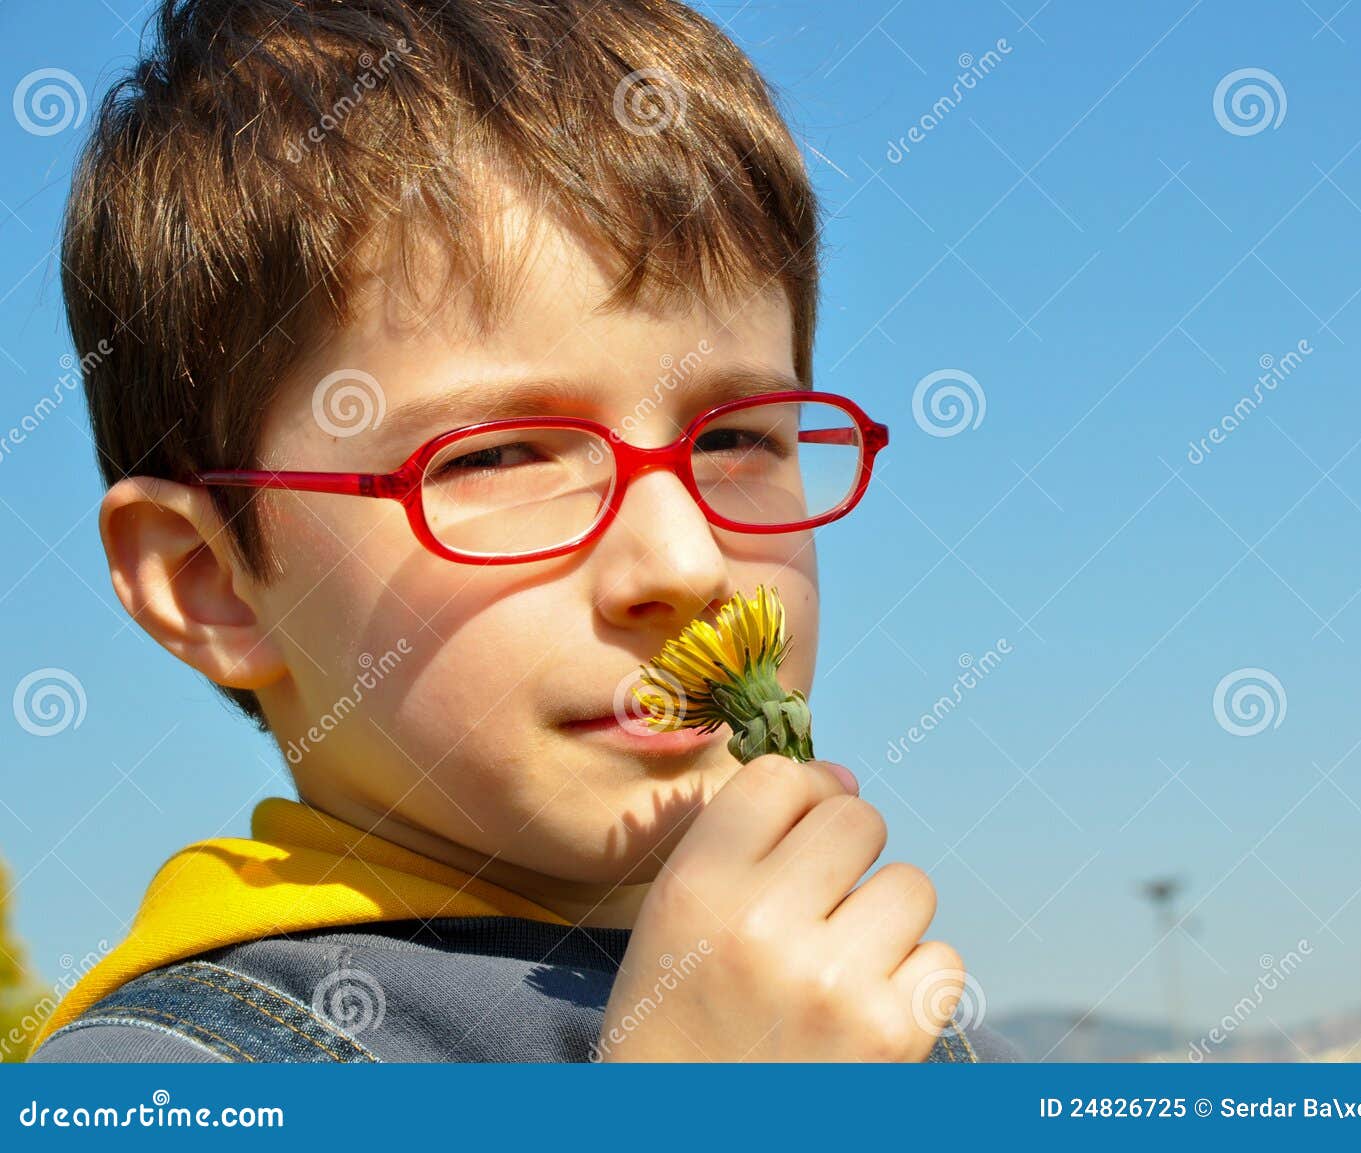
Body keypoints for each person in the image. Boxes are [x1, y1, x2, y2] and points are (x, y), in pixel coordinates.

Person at [28, 0, 1020, 1063]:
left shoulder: (906, 1026)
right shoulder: (173, 1069)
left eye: (736, 438)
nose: (682, 564)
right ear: (211, 581)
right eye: (500, 456)